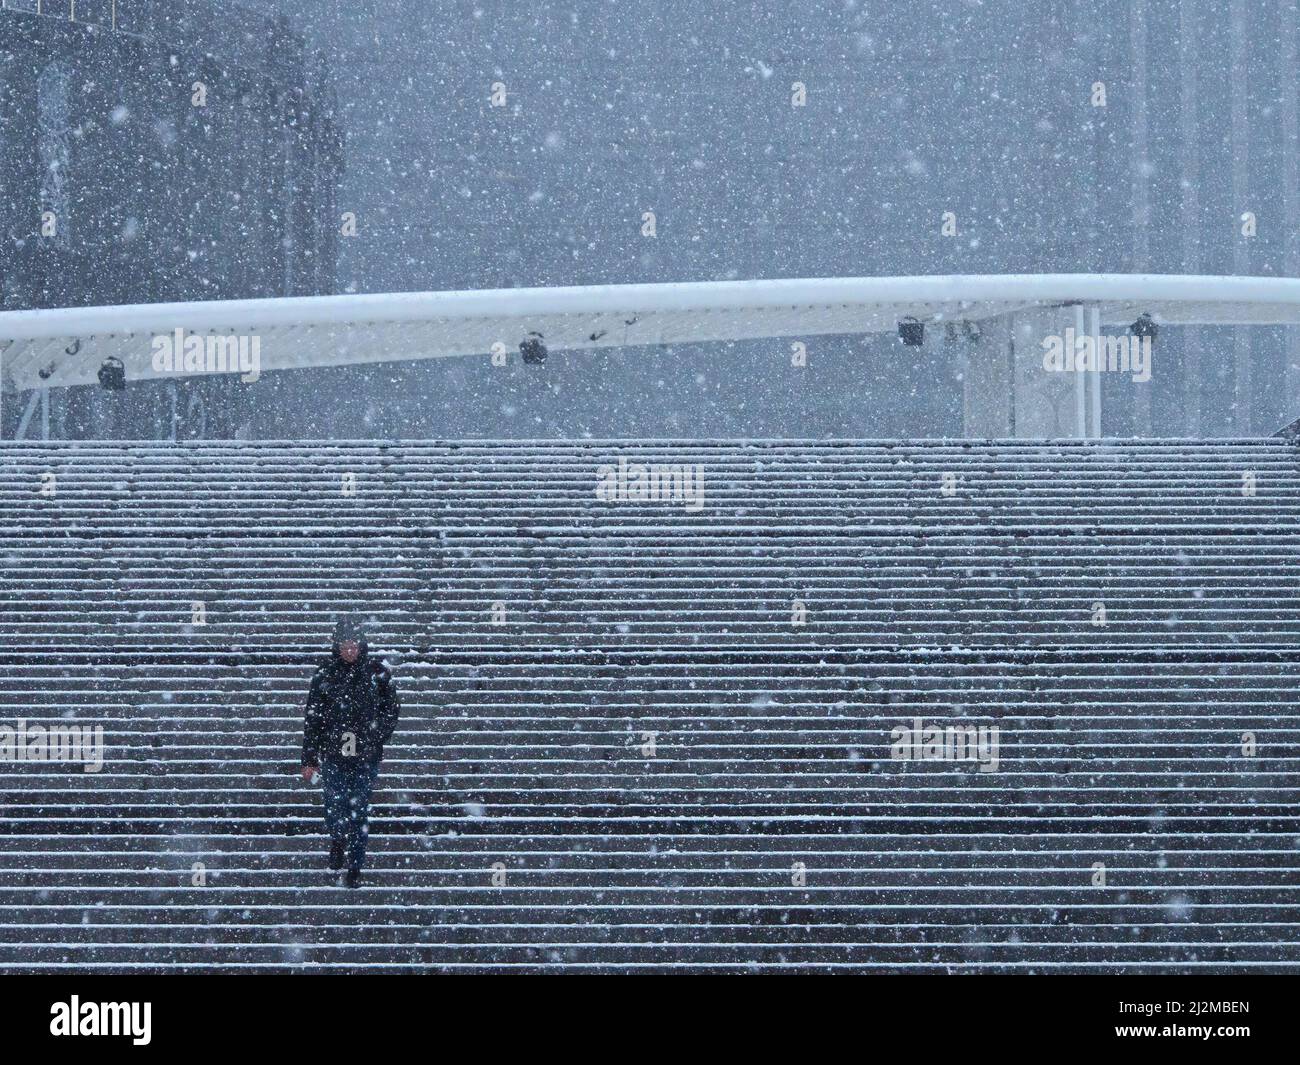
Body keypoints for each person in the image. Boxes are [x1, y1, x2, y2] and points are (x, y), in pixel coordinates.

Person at [301, 616, 400, 887]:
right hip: (334, 754)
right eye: (345, 645)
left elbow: (391, 710)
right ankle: (337, 838)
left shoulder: (376, 673)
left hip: (365, 756)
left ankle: (355, 865)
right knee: (335, 804)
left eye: (354, 645)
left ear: (362, 645)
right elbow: (313, 718)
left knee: (359, 809)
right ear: (337, 646)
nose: (350, 650)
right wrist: (309, 758)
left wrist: (375, 737)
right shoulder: (325, 674)